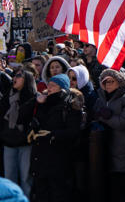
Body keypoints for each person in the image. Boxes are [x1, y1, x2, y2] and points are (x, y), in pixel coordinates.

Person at [29, 74, 82, 202]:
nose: (49, 87)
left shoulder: (71, 106)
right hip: (40, 157)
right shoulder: (44, 102)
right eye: (49, 84)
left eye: (53, 85)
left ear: (62, 88)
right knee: (42, 193)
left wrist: (52, 135)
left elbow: (73, 132)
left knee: (58, 193)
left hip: (58, 158)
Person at [92, 68, 125, 202]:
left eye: (112, 81)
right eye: (105, 82)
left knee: (122, 189)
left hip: (122, 150)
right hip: (104, 148)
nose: (108, 85)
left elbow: (122, 123)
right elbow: (94, 114)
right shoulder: (101, 97)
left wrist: (105, 117)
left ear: (120, 82)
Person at [0, 68, 37, 198]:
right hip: (8, 143)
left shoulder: (34, 99)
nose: (15, 78)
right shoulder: (7, 96)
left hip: (25, 143)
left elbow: (23, 116)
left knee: (26, 178)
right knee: (10, 178)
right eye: (15, 75)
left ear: (27, 79)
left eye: (19, 76)